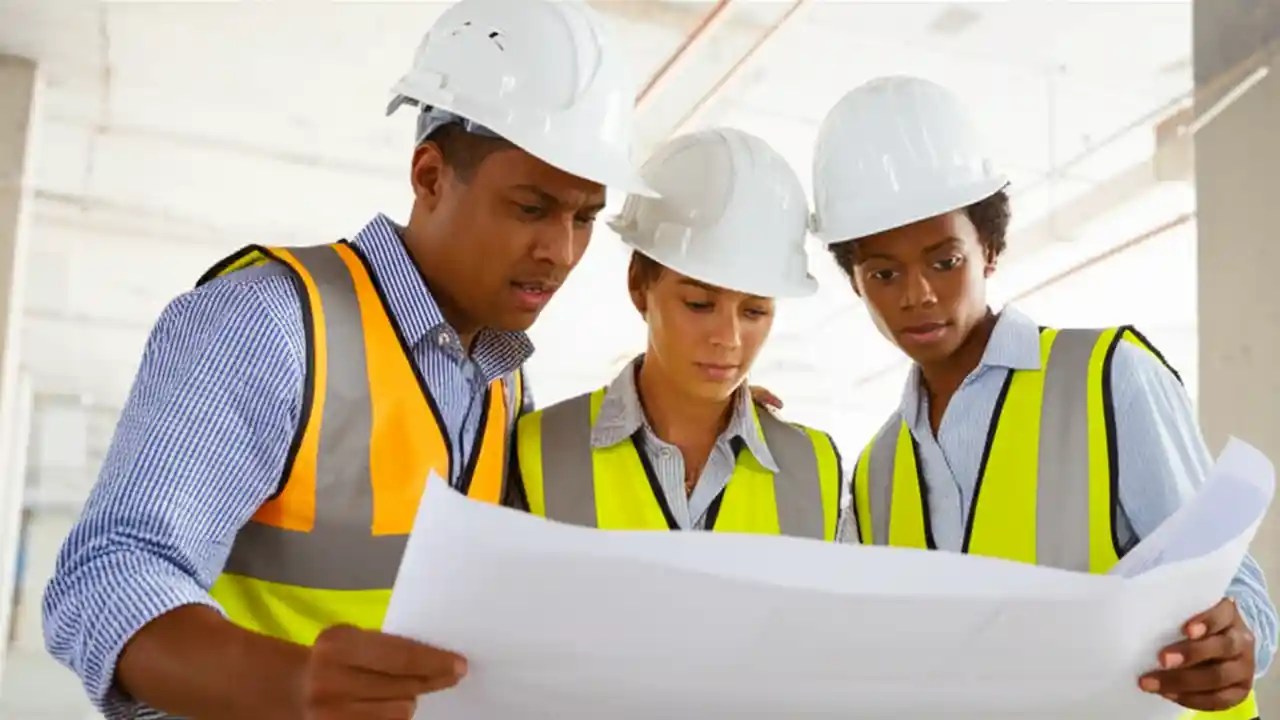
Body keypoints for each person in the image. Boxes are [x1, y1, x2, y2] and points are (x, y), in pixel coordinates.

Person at [41, 1, 651, 718]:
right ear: (430, 177)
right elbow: (107, 577)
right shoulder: (269, 326)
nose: (562, 251)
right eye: (530, 208)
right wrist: (289, 685)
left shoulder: (502, 381)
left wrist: (706, 414)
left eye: (584, 218)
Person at [811, 75, 1275, 719]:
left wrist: (1233, 643)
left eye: (944, 261)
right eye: (884, 273)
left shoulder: (1110, 379)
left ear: (988, 249)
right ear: (856, 283)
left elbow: (1237, 594)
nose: (917, 294)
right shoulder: (874, 474)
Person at [511, 127, 843, 540]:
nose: (729, 339)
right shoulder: (538, 448)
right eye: (699, 304)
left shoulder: (815, 467)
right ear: (639, 286)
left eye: (754, 311)